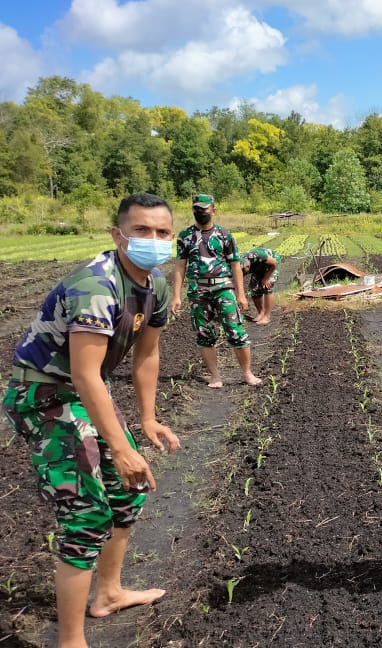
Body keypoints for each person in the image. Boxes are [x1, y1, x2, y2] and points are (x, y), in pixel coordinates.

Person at [2, 193, 182, 648]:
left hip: (82, 392)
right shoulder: (96, 286)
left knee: (128, 490)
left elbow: (148, 353)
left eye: (162, 232)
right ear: (117, 234)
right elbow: (84, 375)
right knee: (86, 514)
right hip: (44, 394)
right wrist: (119, 447)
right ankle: (71, 642)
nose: (153, 240)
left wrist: (147, 418)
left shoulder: (155, 284)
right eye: (141, 230)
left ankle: (109, 592)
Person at [171, 194, 261, 388]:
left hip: (223, 287)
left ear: (213, 210)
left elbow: (235, 265)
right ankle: (215, 376)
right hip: (198, 290)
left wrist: (241, 294)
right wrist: (176, 296)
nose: (200, 211)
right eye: (196, 208)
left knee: (236, 331)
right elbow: (180, 267)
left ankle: (247, 373)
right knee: (204, 334)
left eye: (204, 208)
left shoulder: (224, 235)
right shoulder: (185, 236)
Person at [241, 246, 281, 325]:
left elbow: (274, 264)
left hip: (272, 265)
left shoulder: (257, 255)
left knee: (267, 286)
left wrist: (266, 278)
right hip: (259, 268)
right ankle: (261, 313)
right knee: (254, 289)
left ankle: (267, 317)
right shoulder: (240, 263)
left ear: (248, 266)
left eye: (245, 272)